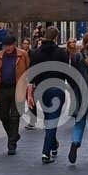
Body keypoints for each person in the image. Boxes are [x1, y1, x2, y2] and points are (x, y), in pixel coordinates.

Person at [28, 26, 69, 165]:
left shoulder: (35, 53)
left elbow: (32, 73)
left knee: (48, 118)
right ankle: (46, 152)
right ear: (56, 37)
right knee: (53, 120)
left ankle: (53, 145)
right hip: (57, 88)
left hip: (41, 89)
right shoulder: (61, 53)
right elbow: (66, 72)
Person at [0, 32, 29, 156]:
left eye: (10, 45)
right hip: (4, 89)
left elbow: (28, 71)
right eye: (5, 46)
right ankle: (14, 135)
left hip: (18, 88)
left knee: (15, 116)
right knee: (2, 114)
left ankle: (11, 144)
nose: (7, 48)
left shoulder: (23, 55)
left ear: (14, 45)